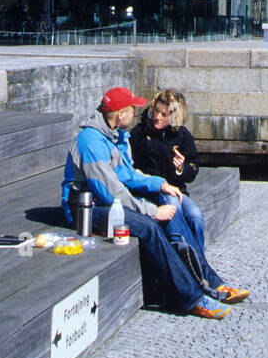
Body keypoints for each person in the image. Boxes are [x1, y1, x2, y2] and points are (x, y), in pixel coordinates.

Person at [61, 86, 246, 318]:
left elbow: (128, 175)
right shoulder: (91, 141)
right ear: (120, 114)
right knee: (149, 227)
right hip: (86, 210)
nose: (137, 114)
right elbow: (110, 192)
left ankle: (206, 281)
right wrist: (151, 211)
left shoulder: (111, 135)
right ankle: (192, 298)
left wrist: (161, 184)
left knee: (173, 215)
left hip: (106, 202)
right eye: (132, 109)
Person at [129, 90, 248, 305]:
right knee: (173, 206)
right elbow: (132, 169)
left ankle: (199, 268)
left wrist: (181, 169)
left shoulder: (182, 135)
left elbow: (193, 170)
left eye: (164, 114)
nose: (157, 117)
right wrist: (159, 184)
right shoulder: (140, 133)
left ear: (173, 117)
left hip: (177, 189)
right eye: (156, 111)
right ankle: (201, 277)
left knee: (195, 215)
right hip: (151, 191)